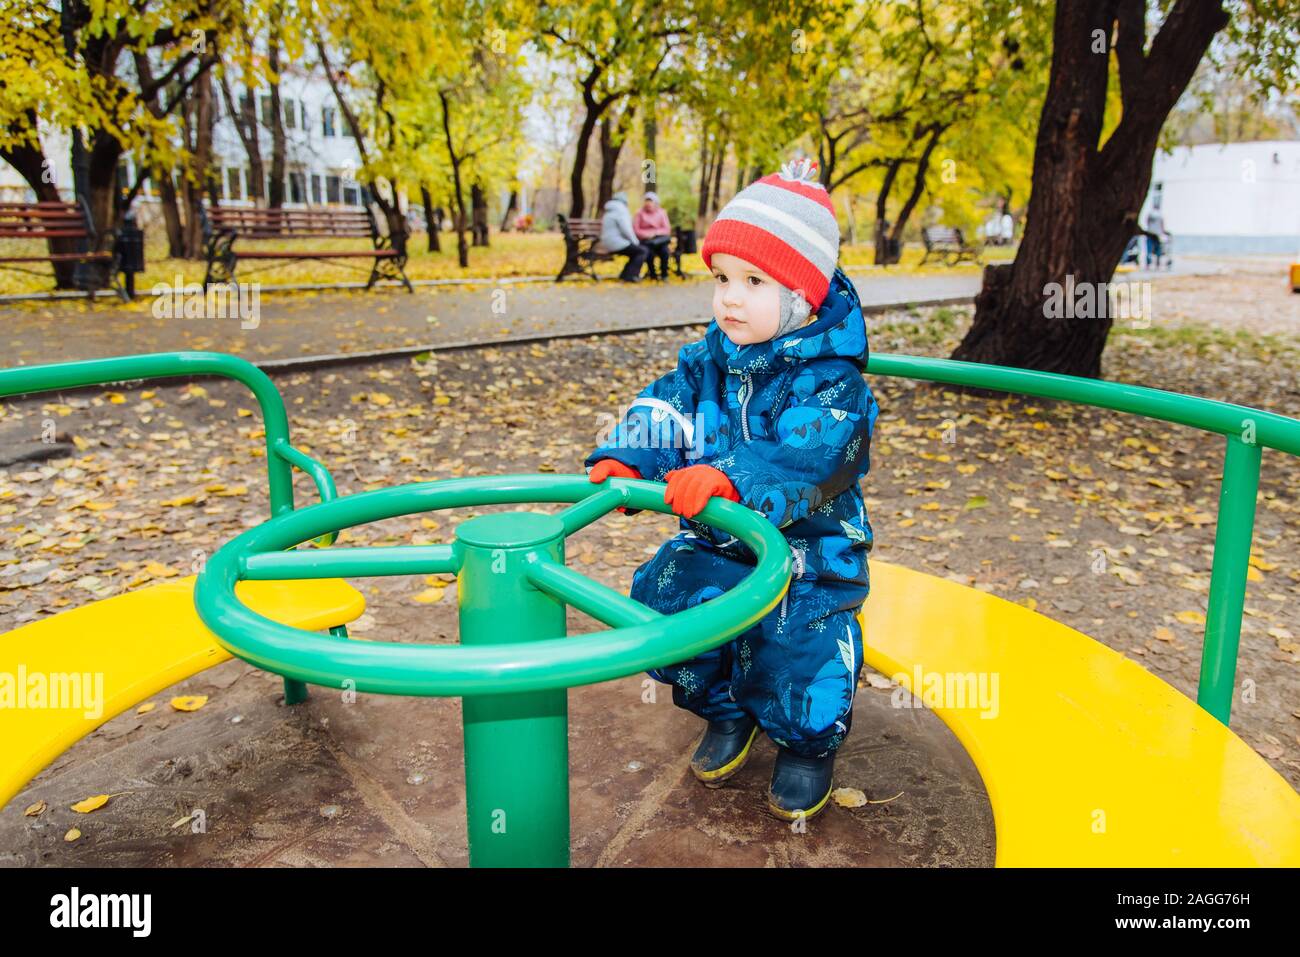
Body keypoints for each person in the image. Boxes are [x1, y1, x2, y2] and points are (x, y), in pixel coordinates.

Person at [583, 158, 879, 822]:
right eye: (721, 278)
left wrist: (734, 480)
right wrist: (632, 452)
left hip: (809, 557)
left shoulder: (832, 384)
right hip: (720, 546)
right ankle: (726, 708)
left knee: (796, 639)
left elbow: (817, 457)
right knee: (667, 590)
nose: (729, 298)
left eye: (753, 281)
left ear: (802, 296)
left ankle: (806, 747)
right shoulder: (710, 360)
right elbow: (667, 406)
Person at [596, 190, 648, 282]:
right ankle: (631, 276)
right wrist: (635, 242)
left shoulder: (610, 210)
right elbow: (626, 230)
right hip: (617, 243)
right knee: (642, 251)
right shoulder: (621, 210)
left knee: (636, 252)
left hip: (608, 243)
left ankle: (625, 274)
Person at [634, 191, 673, 280]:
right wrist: (647, 235)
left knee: (665, 252)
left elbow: (667, 229)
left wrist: (655, 233)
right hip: (646, 241)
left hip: (659, 240)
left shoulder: (662, 212)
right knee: (648, 252)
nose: (648, 205)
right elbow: (636, 230)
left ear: (655, 203)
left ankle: (664, 273)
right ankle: (652, 274)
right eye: (646, 203)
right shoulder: (639, 213)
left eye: (650, 203)